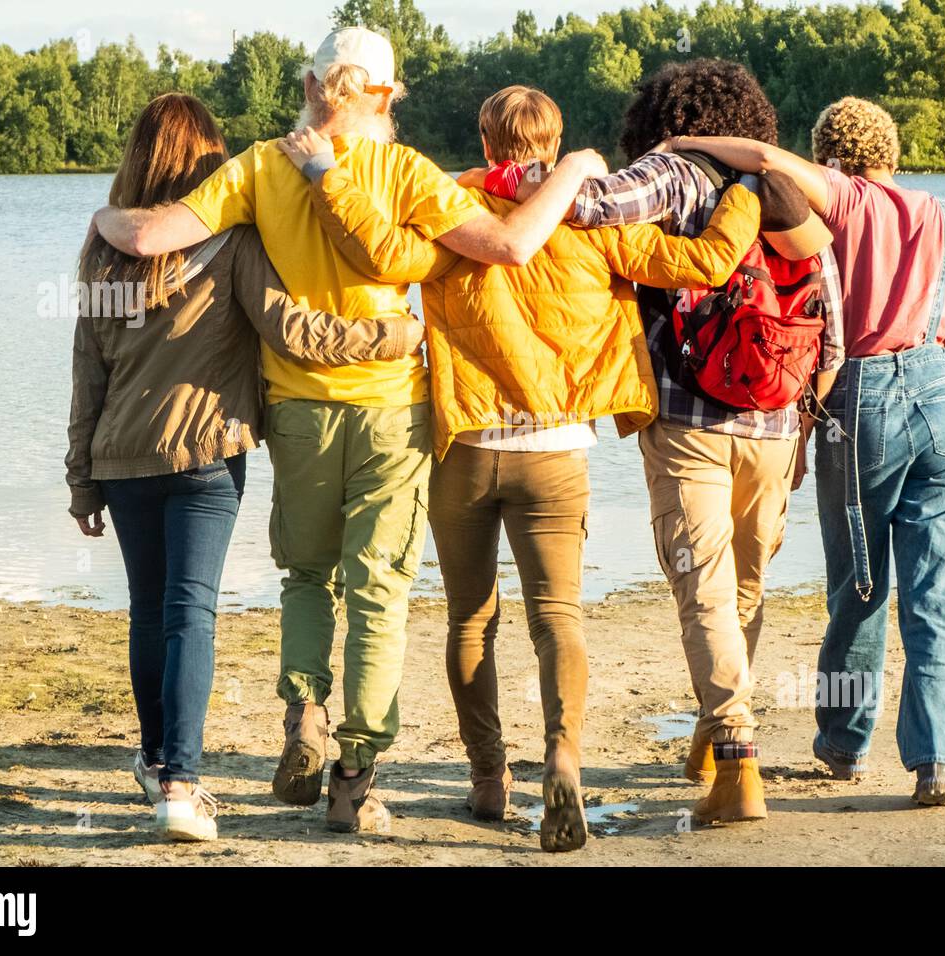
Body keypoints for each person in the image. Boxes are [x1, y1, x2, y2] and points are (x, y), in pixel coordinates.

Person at [91, 28, 607, 832]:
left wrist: (105, 213)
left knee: (307, 576)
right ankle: (354, 779)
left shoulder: (261, 165)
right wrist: (574, 167)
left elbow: (155, 238)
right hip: (391, 409)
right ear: (387, 95)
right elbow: (509, 244)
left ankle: (303, 713)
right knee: (381, 592)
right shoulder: (406, 173)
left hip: (296, 409)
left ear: (307, 82)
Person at [284, 83, 766, 849]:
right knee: (558, 618)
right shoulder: (589, 218)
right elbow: (704, 263)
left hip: (467, 451)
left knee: (471, 617)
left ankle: (488, 779)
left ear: (483, 143)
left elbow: (378, 250)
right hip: (555, 453)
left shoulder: (448, 208)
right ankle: (564, 759)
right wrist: (743, 190)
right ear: (556, 138)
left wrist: (324, 179)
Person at [67, 92, 423, 842]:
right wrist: (391, 337)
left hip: (123, 459)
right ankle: (182, 787)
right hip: (206, 454)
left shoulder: (104, 247)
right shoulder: (230, 241)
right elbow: (294, 331)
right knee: (189, 612)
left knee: (148, 610)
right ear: (207, 164)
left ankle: (159, 758)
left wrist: (80, 478)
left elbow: (87, 375)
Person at [499, 60, 845, 824]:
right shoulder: (780, 186)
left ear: (662, 116)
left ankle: (736, 761)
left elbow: (586, 206)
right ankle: (712, 728)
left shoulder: (674, 171)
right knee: (745, 586)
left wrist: (527, 174)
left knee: (705, 593)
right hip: (780, 419)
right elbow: (832, 320)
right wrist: (803, 418)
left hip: (688, 417)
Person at [667, 96, 945, 805]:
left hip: (861, 397)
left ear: (834, 157)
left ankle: (845, 744)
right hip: (940, 395)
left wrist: (686, 138)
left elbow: (765, 160)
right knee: (939, 591)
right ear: (894, 152)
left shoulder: (843, 195)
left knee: (862, 582)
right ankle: (937, 761)